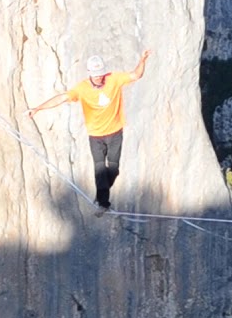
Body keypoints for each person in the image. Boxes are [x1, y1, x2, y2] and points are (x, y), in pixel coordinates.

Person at [28, 49, 152, 210]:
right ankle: (102, 202)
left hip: (115, 133)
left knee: (113, 170)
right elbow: (62, 98)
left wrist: (142, 60)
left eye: (100, 73)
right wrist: (38, 108)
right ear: (89, 74)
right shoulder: (82, 88)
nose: (98, 77)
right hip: (96, 136)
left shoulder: (114, 79)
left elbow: (136, 75)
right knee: (100, 169)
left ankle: (101, 196)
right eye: (95, 74)